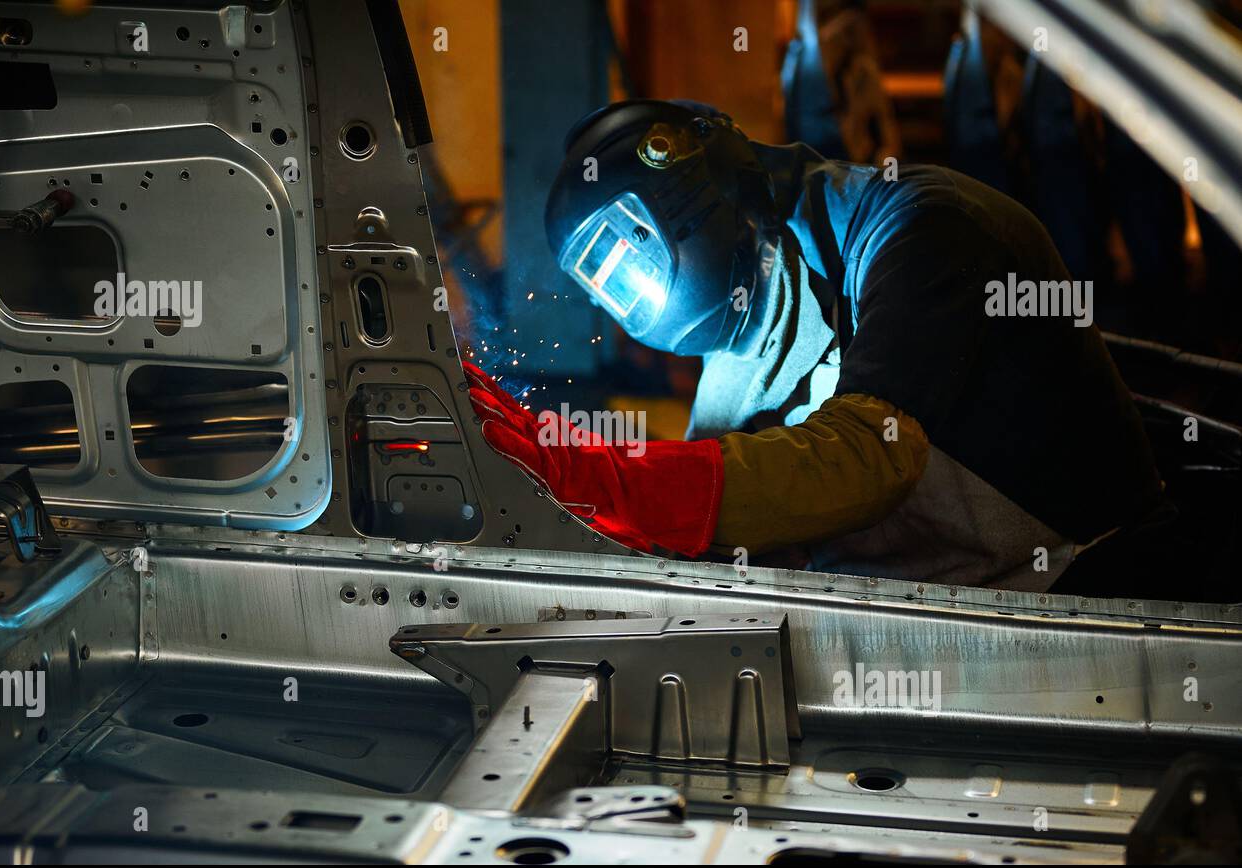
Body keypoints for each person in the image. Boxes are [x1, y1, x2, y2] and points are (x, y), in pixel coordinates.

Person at [467, 99, 1164, 591]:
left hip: (1094, 598)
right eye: (606, 280)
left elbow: (869, 456)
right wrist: (548, 488)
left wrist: (611, 477)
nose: (626, 288)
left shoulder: (920, 227)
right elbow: (713, 536)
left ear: (690, 190)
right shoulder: (733, 367)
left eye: (630, 252)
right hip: (933, 628)